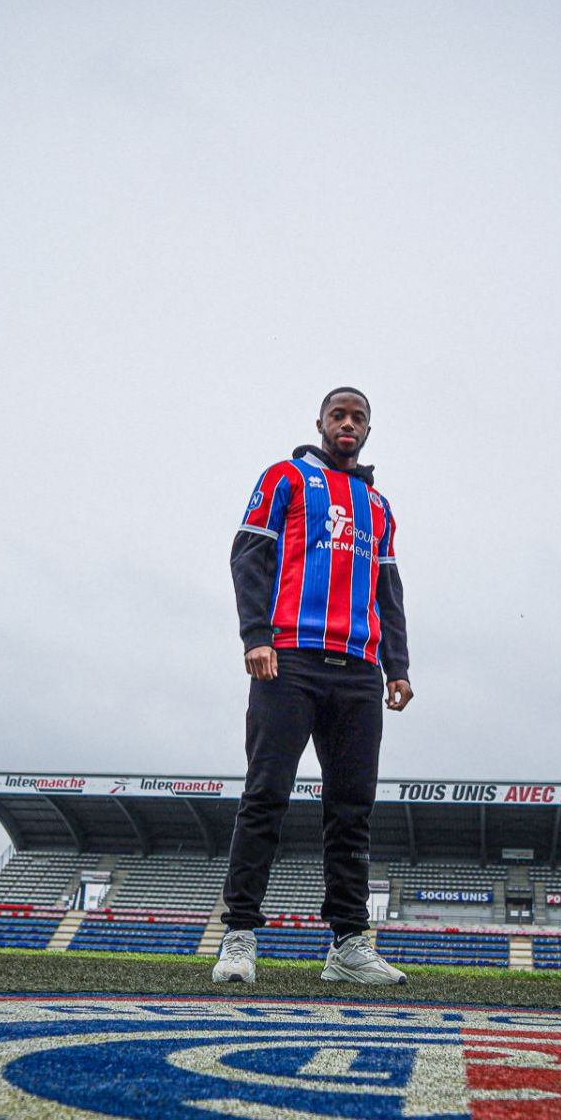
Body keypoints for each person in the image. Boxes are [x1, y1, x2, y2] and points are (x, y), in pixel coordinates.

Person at [213, 386, 413, 984]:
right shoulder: (286, 477)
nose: (348, 423)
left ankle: (348, 944)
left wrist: (398, 666)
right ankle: (239, 937)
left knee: (352, 809)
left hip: (359, 670)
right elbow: (248, 557)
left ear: (369, 429)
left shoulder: (378, 506)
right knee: (266, 793)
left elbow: (389, 591)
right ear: (321, 422)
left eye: (358, 417)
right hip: (288, 661)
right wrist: (256, 636)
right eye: (338, 415)